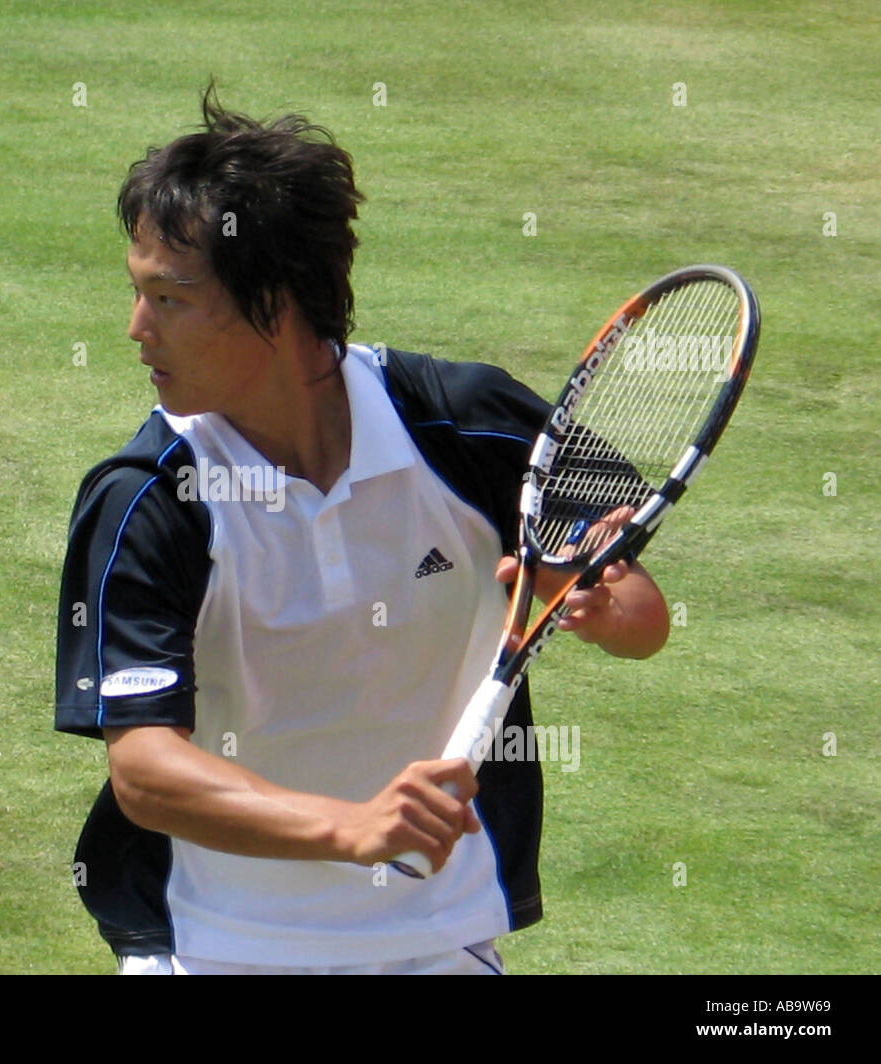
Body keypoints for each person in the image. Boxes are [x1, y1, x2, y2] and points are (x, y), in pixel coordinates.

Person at [53, 87, 669, 975]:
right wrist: (352, 827)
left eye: (170, 299)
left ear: (275, 301)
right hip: (217, 943)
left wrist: (612, 609)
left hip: (436, 937)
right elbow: (145, 771)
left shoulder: (469, 426)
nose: (136, 329)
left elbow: (637, 613)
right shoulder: (149, 499)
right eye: (136, 293)